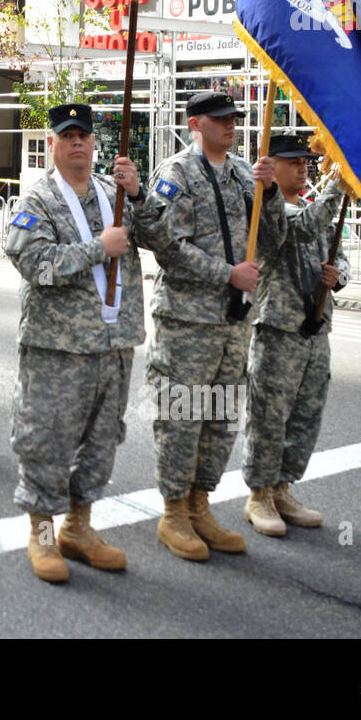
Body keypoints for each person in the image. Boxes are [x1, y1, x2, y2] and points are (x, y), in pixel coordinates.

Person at [136, 90, 284, 562]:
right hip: (188, 320)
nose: (231, 125)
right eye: (220, 119)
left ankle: (200, 505)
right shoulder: (176, 173)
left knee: (220, 417)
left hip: (234, 322)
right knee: (181, 415)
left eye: (234, 117)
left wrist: (271, 192)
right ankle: (173, 513)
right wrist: (226, 274)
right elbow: (165, 244)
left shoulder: (245, 173)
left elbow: (274, 238)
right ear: (195, 124)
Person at [5, 103, 147, 583]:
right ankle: (43, 535)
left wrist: (139, 194)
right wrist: (96, 249)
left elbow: (162, 237)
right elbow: (34, 266)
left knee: (101, 442)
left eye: (83, 135)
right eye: (67, 136)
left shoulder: (113, 194)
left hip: (113, 344)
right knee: (46, 441)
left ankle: (79, 528)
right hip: (57, 350)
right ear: (52, 144)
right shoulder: (38, 200)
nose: (77, 143)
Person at [242, 135, 349, 537]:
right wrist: (339, 185)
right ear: (272, 166)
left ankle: (282, 488)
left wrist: (338, 276)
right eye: (293, 162)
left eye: (305, 161)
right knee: (269, 417)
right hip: (278, 329)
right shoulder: (265, 210)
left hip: (315, 329)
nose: (303, 167)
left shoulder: (311, 207)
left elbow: (337, 255)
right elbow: (302, 230)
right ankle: (259, 494)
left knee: (306, 415)